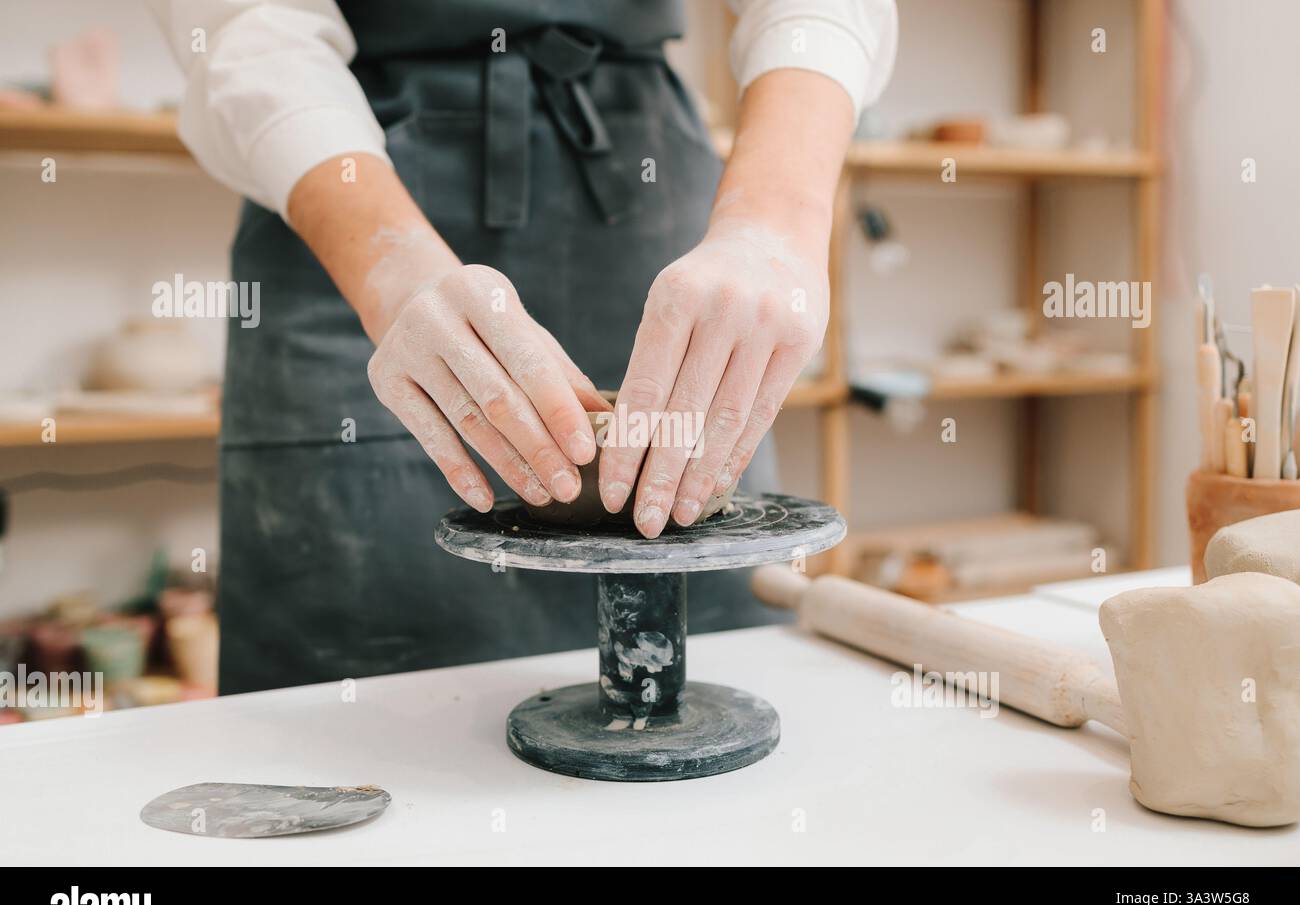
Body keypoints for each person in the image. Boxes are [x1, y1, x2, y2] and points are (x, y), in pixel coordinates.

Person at [149, 0, 898, 693]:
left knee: (690, 639)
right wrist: (393, 270)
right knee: (362, 683)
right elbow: (248, 25)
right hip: (352, 177)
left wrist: (775, 221)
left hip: (642, 173)